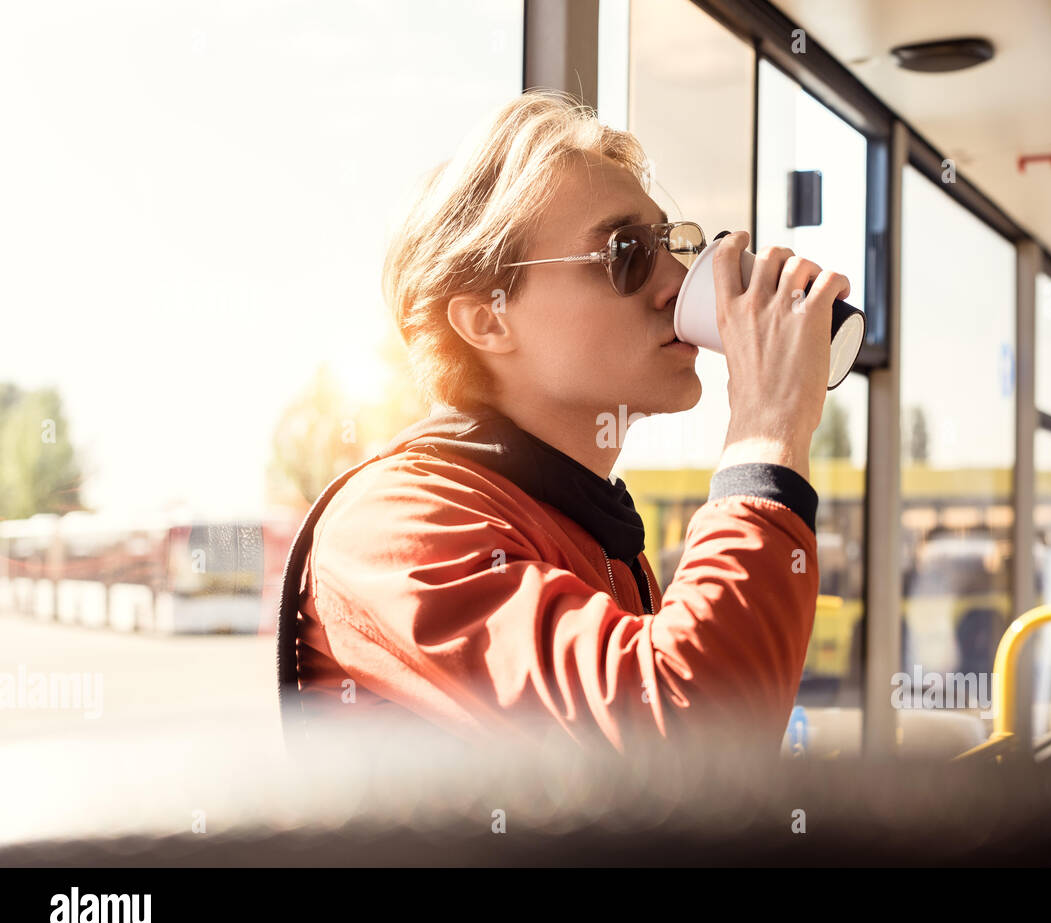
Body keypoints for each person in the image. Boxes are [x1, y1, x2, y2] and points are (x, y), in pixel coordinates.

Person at [288, 91, 850, 761]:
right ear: (488, 318)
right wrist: (765, 431)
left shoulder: (592, 530)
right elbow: (689, 739)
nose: (675, 281)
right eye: (626, 253)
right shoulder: (396, 524)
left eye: (672, 243)